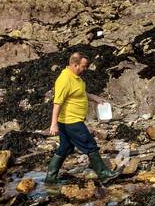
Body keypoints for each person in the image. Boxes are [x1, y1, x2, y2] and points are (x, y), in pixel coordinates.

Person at [45, 52, 120, 185]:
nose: (85, 69)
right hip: (71, 121)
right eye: (83, 66)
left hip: (70, 121)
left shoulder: (75, 77)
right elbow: (57, 103)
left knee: (65, 148)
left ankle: (50, 178)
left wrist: (94, 98)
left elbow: (79, 93)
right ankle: (104, 174)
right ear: (75, 65)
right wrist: (53, 124)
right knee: (90, 146)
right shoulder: (64, 79)